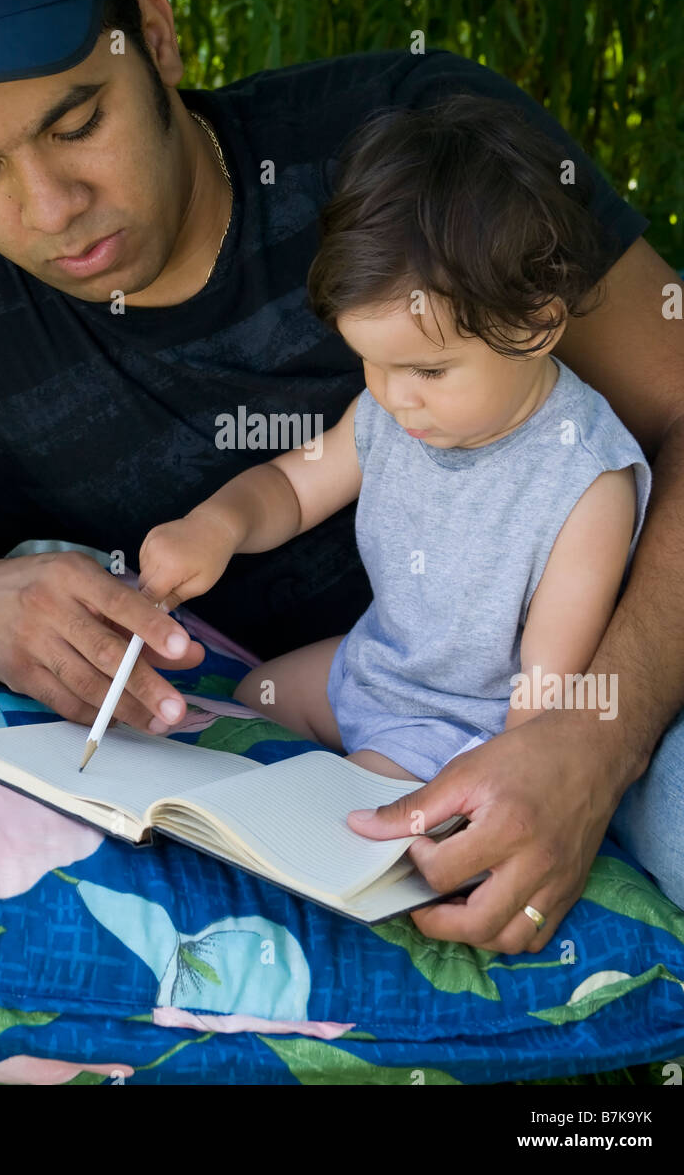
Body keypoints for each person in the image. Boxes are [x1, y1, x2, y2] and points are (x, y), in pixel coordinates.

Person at [0, 0, 684, 953]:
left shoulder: (417, 148)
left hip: (620, 638)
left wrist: (591, 741)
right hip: (352, 688)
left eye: (75, 122)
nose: (50, 209)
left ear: (153, 36)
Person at [136, 95, 652, 802]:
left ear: (536, 324)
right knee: (236, 706)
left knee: (338, 818)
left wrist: (511, 791)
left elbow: (545, 688)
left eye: (427, 371)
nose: (393, 395)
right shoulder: (393, 409)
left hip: (463, 730)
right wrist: (215, 526)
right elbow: (291, 489)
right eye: (370, 364)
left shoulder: (587, 480)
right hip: (370, 667)